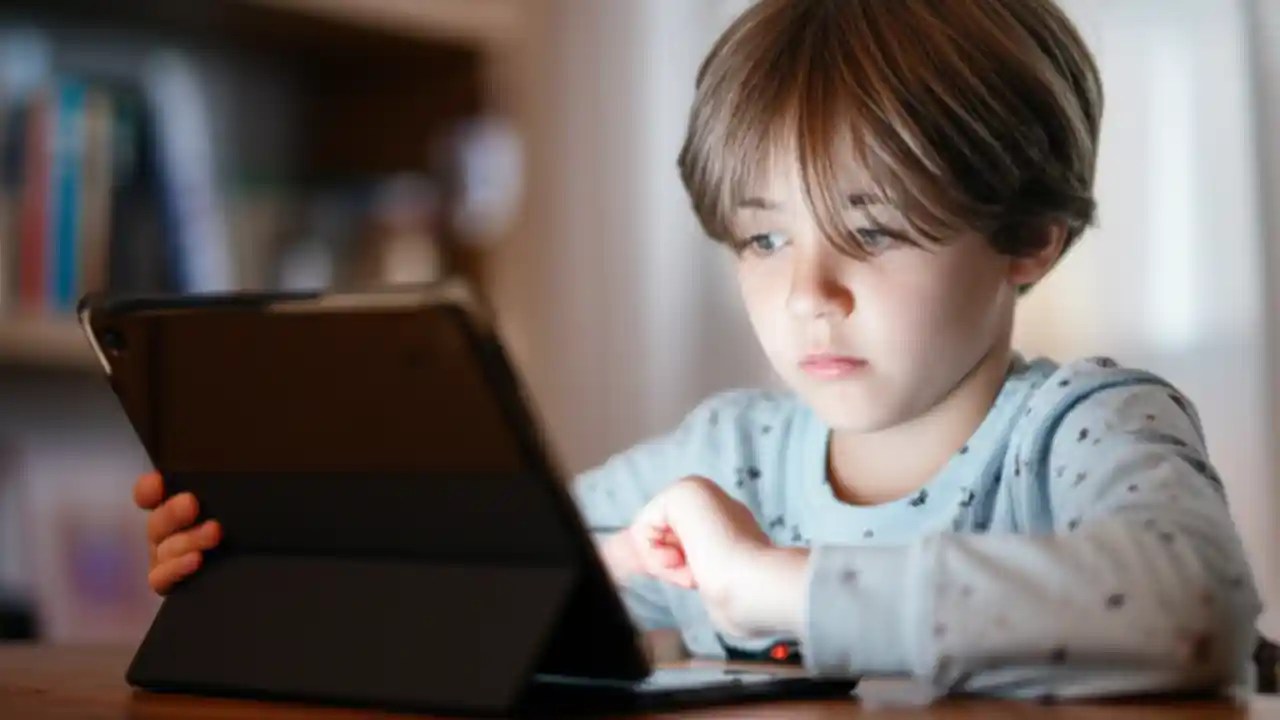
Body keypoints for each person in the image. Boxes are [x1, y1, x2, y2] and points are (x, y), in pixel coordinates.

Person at [133, 0, 1262, 699]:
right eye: (763, 235)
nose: (806, 293)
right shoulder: (731, 457)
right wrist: (269, 555)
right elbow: (492, 557)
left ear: (1025, 236)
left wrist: (770, 585)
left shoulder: (1086, 426)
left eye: (868, 230)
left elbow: (1187, 612)